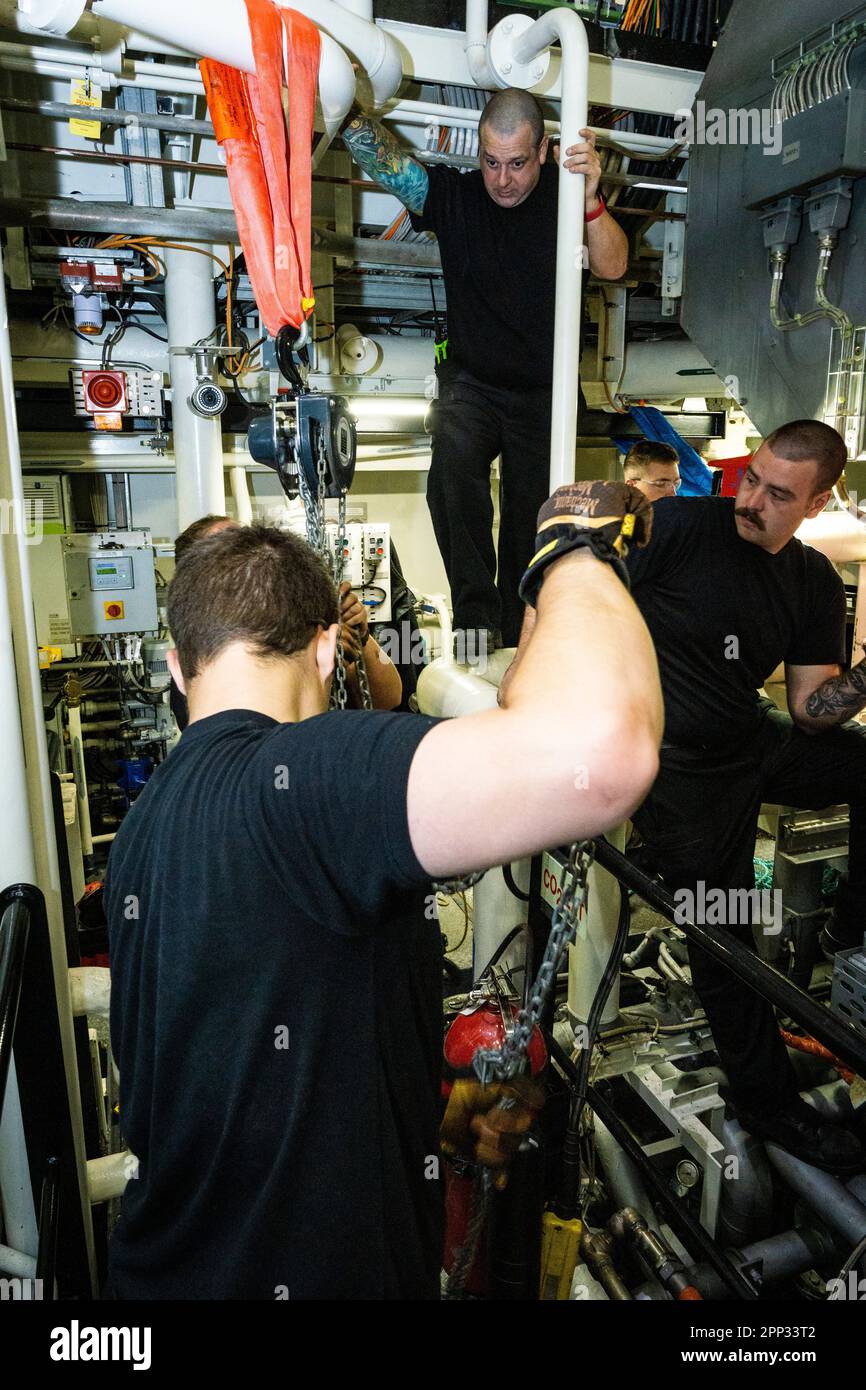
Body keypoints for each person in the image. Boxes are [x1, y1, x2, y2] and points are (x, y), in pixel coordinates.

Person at [103, 486, 662, 1299]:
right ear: (329, 651)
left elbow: (236, 1050)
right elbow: (606, 756)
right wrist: (573, 549)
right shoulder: (304, 779)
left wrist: (412, 1115)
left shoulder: (147, 826)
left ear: (176, 665)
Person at [504, 421, 866, 1173]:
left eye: (777, 493)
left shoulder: (811, 580)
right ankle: (766, 1104)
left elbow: (808, 708)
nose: (752, 498)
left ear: (819, 500)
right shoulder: (671, 527)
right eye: (751, 478)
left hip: (755, 740)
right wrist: (525, 679)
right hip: (675, 768)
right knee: (725, 932)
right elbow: (565, 570)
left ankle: (847, 931)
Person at [343, 89, 628, 654]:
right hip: (470, 382)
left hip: (543, 390)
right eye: (491, 162)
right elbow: (389, 166)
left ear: (542, 150)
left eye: (517, 163)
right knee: (451, 472)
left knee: (533, 511)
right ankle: (476, 620)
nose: (503, 180)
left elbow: (614, 266)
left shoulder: (567, 195)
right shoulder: (457, 197)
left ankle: (520, 625)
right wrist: (343, 105)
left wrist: (592, 199)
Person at [169, 514, 402, 726]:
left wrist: (361, 637)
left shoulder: (299, 621)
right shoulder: (203, 654)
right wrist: (313, 662)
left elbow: (389, 699)